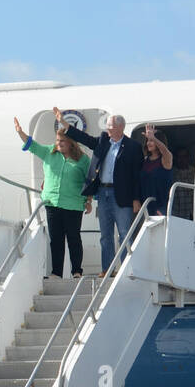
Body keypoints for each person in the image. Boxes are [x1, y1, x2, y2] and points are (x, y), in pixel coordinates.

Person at [53, 107, 143, 277]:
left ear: (120, 127)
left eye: (110, 126)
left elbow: (137, 175)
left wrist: (136, 198)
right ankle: (107, 269)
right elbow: (84, 138)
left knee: (124, 233)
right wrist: (65, 123)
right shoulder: (103, 141)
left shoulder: (133, 147)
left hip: (122, 195)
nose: (107, 129)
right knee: (105, 235)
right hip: (103, 193)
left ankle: (125, 269)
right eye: (108, 125)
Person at [14, 116, 91, 278]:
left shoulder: (83, 160)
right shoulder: (49, 153)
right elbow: (32, 145)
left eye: (62, 141)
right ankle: (56, 272)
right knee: (56, 240)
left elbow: (89, 181)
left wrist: (89, 200)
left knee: (73, 239)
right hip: (52, 203)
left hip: (73, 204)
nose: (58, 143)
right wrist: (21, 133)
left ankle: (76, 270)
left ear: (71, 142)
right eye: (57, 140)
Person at [137, 123, 174, 218]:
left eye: (151, 141)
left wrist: (153, 138)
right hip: (145, 206)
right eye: (148, 140)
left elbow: (166, 152)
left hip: (161, 208)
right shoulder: (145, 160)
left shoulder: (166, 159)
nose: (149, 143)